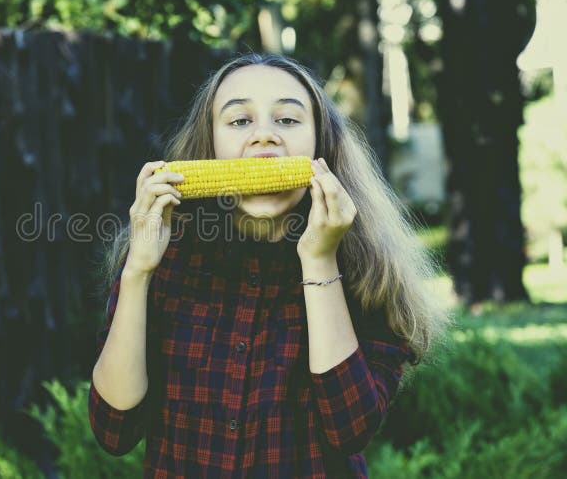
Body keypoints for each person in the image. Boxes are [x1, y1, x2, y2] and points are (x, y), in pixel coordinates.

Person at [87, 53, 452, 478]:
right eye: (240, 121)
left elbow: (350, 428)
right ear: (211, 145)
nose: (264, 137)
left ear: (322, 147)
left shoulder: (366, 272)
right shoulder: (168, 261)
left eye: (288, 120)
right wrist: (137, 271)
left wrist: (319, 260)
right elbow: (114, 431)